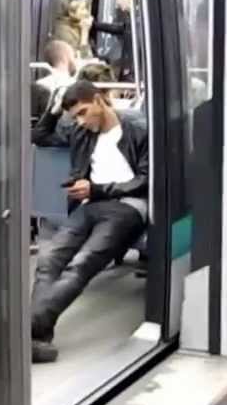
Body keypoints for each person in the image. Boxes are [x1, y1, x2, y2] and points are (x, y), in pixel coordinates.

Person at [29, 80, 149, 363]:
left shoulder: (139, 130)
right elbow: (40, 135)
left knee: (80, 264)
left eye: (83, 112)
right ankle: (37, 335)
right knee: (50, 260)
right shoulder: (82, 132)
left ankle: (26, 329)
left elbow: (145, 179)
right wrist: (55, 109)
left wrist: (97, 189)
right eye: (76, 117)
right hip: (90, 204)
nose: (81, 121)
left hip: (126, 206)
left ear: (99, 100)